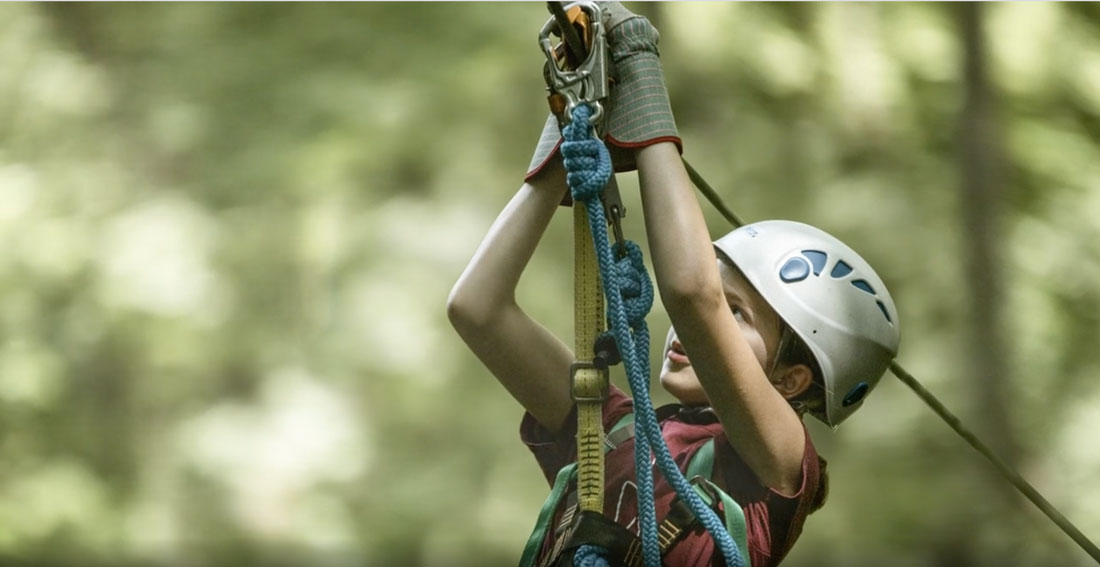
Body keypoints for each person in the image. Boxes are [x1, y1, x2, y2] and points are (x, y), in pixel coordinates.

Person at [447, 4, 900, 566]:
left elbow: (691, 294)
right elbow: (478, 309)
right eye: (723, 300)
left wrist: (643, 88)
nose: (699, 322)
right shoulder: (608, 429)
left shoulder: (782, 466)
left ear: (791, 378)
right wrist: (568, 133)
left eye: (736, 313)